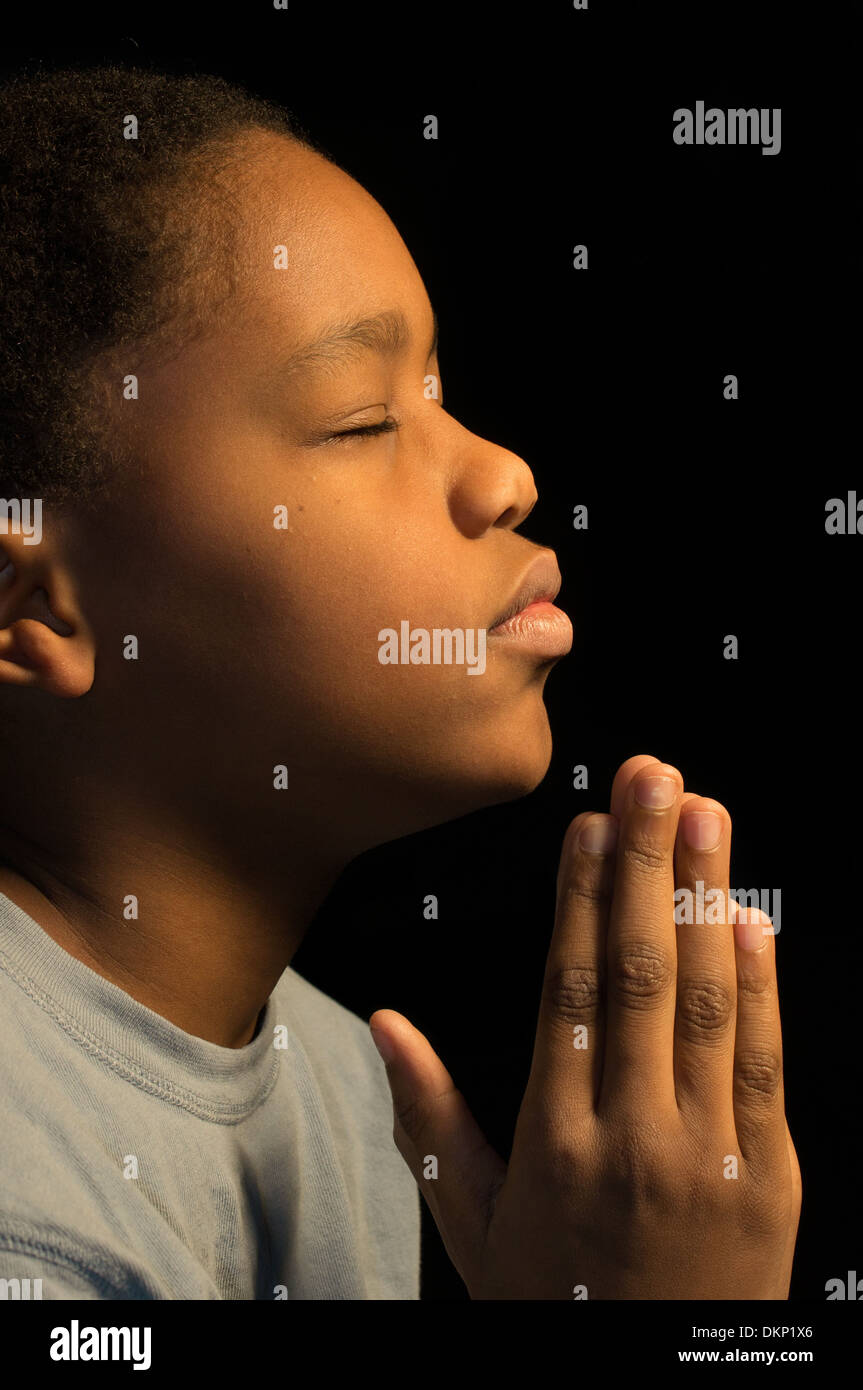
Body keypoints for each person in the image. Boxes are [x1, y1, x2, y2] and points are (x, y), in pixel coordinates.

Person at [0, 65, 800, 1300]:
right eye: (361, 419)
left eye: (440, 395)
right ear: (35, 608)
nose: (505, 475)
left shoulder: (342, 1080)